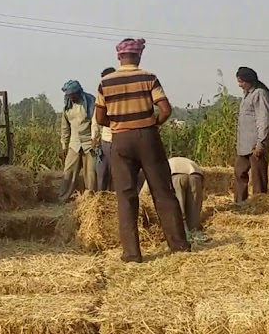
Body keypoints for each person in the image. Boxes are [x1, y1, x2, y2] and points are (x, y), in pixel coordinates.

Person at [94, 38, 191, 262]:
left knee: (126, 196)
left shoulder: (105, 83)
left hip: (120, 140)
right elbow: (165, 110)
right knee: (162, 191)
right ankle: (178, 245)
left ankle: (132, 253)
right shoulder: (149, 78)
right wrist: (153, 123)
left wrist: (118, 125)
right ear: (139, 56)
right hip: (147, 137)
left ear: (119, 56)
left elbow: (99, 117)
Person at [234, 66, 269, 202]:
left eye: (241, 82)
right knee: (239, 172)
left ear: (248, 80)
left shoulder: (260, 94)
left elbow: (263, 120)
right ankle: (240, 204)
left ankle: (259, 204)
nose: (239, 85)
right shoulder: (247, 95)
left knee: (258, 177)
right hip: (244, 144)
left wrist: (260, 143)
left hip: (255, 144)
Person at [57, 80, 97, 203]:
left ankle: (91, 199)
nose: (70, 97)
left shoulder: (90, 101)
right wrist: (64, 144)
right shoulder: (67, 106)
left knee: (91, 173)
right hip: (74, 143)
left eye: (71, 94)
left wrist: (95, 139)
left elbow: (96, 122)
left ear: (77, 92)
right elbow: (65, 127)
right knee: (68, 171)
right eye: (68, 95)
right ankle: (63, 198)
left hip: (89, 143)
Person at [168, 157, 210, 244]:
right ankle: (195, 232)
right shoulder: (189, 161)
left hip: (176, 174)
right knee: (194, 208)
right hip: (195, 174)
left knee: (179, 207)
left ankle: (184, 233)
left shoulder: (164, 163)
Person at [92, 67, 116, 191]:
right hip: (106, 140)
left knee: (116, 172)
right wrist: (94, 137)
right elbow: (96, 119)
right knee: (102, 170)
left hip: (117, 139)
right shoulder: (103, 95)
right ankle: (101, 196)